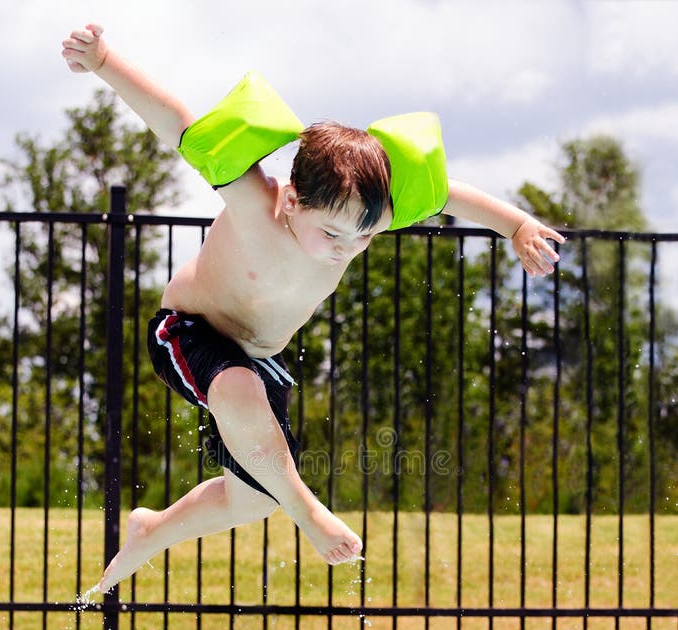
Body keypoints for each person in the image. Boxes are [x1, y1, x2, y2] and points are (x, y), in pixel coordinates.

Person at [62, 24, 564, 593]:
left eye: (363, 239)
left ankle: (153, 530)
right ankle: (307, 511)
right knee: (242, 401)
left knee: (252, 496)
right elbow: (180, 124)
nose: (345, 250)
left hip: (259, 357)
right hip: (189, 333)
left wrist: (516, 224)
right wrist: (104, 61)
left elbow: (446, 193)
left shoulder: (355, 216)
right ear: (294, 201)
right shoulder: (254, 202)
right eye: (332, 235)